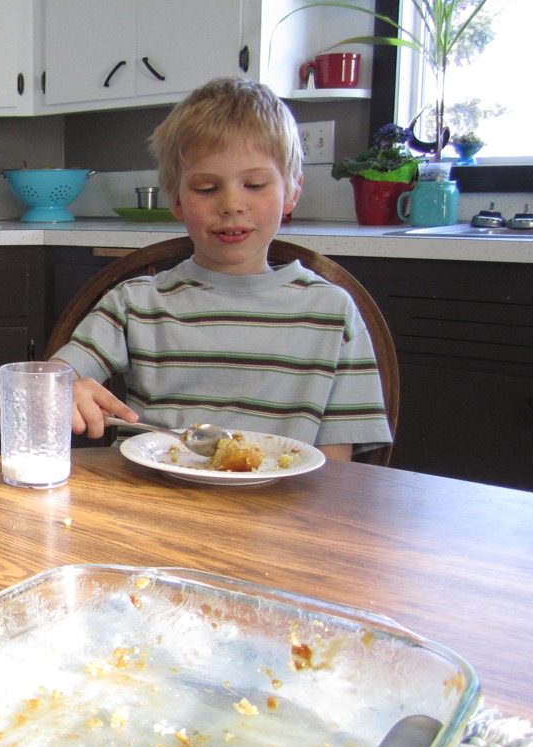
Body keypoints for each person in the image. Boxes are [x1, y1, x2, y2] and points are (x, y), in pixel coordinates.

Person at [50, 77, 392, 461]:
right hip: (148, 507)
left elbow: (335, 475)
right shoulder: (135, 304)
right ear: (175, 198)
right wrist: (55, 395)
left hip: (278, 516)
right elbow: (19, 401)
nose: (231, 204)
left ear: (292, 190)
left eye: (256, 184)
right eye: (207, 189)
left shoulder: (332, 313)